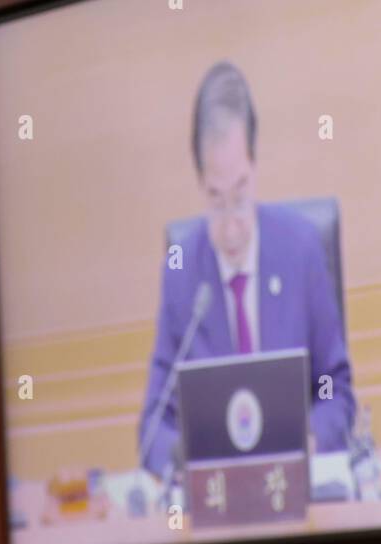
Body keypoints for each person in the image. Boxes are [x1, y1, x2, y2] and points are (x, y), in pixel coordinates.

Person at [138, 62, 355, 481]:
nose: (232, 224)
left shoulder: (302, 250)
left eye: (240, 196)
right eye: (216, 201)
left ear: (255, 167)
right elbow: (153, 426)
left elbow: (335, 389)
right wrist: (182, 460)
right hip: (215, 502)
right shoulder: (181, 272)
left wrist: (312, 439)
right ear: (199, 181)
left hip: (297, 493)